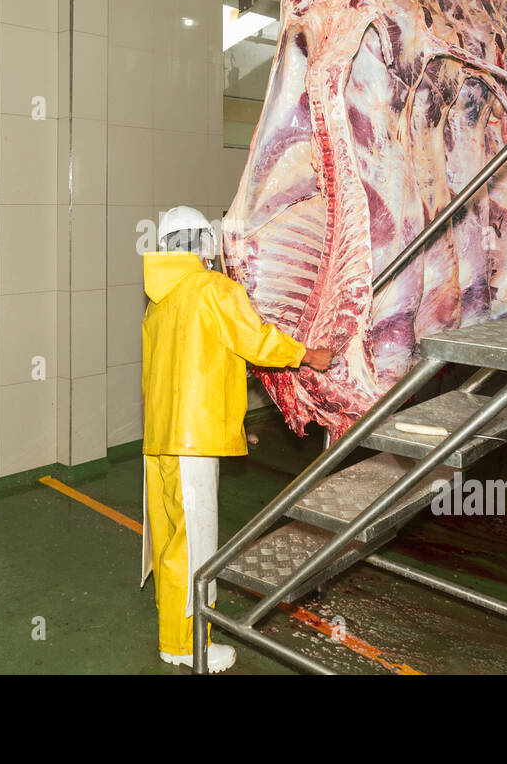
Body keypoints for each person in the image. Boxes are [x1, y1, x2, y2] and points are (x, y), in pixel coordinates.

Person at [140, 206, 334, 673]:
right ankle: (191, 648)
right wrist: (307, 355)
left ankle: (173, 635)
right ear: (204, 245)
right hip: (196, 440)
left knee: (171, 543)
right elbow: (257, 341)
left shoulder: (158, 302)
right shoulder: (213, 289)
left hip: (159, 439)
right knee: (196, 548)